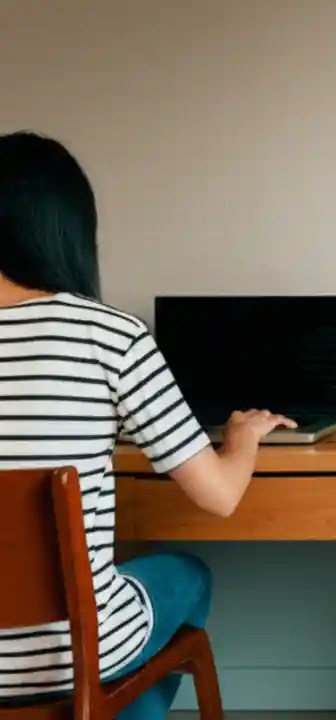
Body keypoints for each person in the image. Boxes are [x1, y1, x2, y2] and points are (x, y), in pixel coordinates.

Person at [0, 131, 294, 719]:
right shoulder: (109, 335)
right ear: (66, 228)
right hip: (71, 656)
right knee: (190, 574)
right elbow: (219, 496)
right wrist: (239, 438)